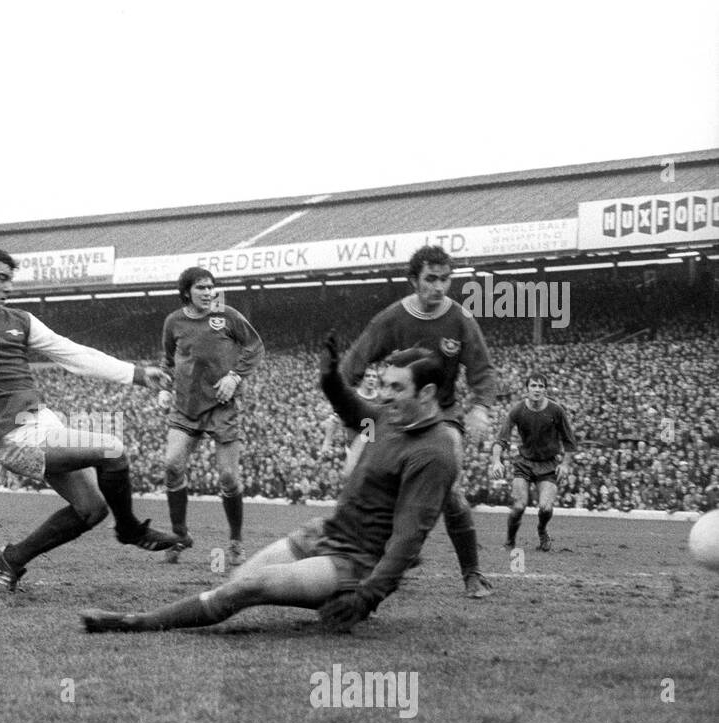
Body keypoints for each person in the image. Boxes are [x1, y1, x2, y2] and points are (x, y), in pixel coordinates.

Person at [81, 338, 458, 633]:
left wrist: (369, 595)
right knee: (235, 583)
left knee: (248, 589)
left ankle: (135, 622)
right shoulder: (392, 418)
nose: (385, 394)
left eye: (397, 387)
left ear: (426, 394)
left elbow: (409, 538)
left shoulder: (432, 454)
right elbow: (353, 409)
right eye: (385, 385)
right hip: (327, 533)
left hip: (356, 560)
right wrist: (330, 378)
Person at [0, 245, 181, 592]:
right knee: (112, 449)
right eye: (1, 279)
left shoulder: (20, 320)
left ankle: (12, 558)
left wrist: (137, 374)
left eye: (10, 280)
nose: (9, 287)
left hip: (45, 425)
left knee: (92, 510)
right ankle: (129, 531)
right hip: (14, 439)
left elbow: (73, 354)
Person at [340, 244, 498, 599]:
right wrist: (347, 402)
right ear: (414, 280)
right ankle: (378, 555)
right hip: (395, 417)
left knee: (449, 489)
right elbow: (354, 363)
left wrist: (481, 407)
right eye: (431, 279)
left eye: (445, 279)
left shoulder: (460, 319)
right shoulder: (391, 319)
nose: (439, 287)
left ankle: (472, 573)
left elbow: (482, 370)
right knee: (354, 475)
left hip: (442, 416)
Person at [159, 267, 264, 565]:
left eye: (211, 287)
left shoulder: (227, 316)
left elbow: (255, 347)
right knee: (171, 465)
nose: (208, 293)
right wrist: (165, 387)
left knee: (229, 478)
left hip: (222, 405)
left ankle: (235, 541)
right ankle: (179, 536)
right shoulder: (174, 322)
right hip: (186, 407)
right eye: (201, 288)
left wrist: (235, 377)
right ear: (186, 292)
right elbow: (167, 360)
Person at [489, 374, 578, 551]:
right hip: (524, 463)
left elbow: (569, 441)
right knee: (519, 506)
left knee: (545, 508)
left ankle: (542, 530)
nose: (537, 389)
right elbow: (501, 439)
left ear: (545, 389)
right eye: (533, 386)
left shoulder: (556, 410)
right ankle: (510, 541)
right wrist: (496, 461)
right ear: (527, 389)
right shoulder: (518, 410)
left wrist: (565, 464)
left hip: (548, 464)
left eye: (540, 386)